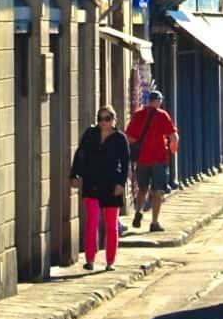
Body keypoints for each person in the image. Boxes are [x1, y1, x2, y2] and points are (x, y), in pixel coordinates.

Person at [69, 106, 131, 270]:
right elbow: (80, 153)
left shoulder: (119, 138)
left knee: (111, 225)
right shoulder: (90, 134)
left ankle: (110, 261)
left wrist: (121, 184)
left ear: (114, 119)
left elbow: (125, 164)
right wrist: (74, 174)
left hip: (112, 185)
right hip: (92, 183)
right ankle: (90, 260)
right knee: (92, 221)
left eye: (107, 118)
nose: (103, 122)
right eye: (100, 119)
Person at [124, 90, 178, 233]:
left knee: (142, 188)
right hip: (159, 158)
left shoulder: (138, 115)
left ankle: (138, 211)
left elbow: (129, 138)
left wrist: (138, 146)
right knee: (157, 191)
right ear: (159, 101)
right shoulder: (162, 115)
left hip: (142, 159)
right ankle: (154, 222)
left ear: (148, 101)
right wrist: (172, 149)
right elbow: (173, 136)